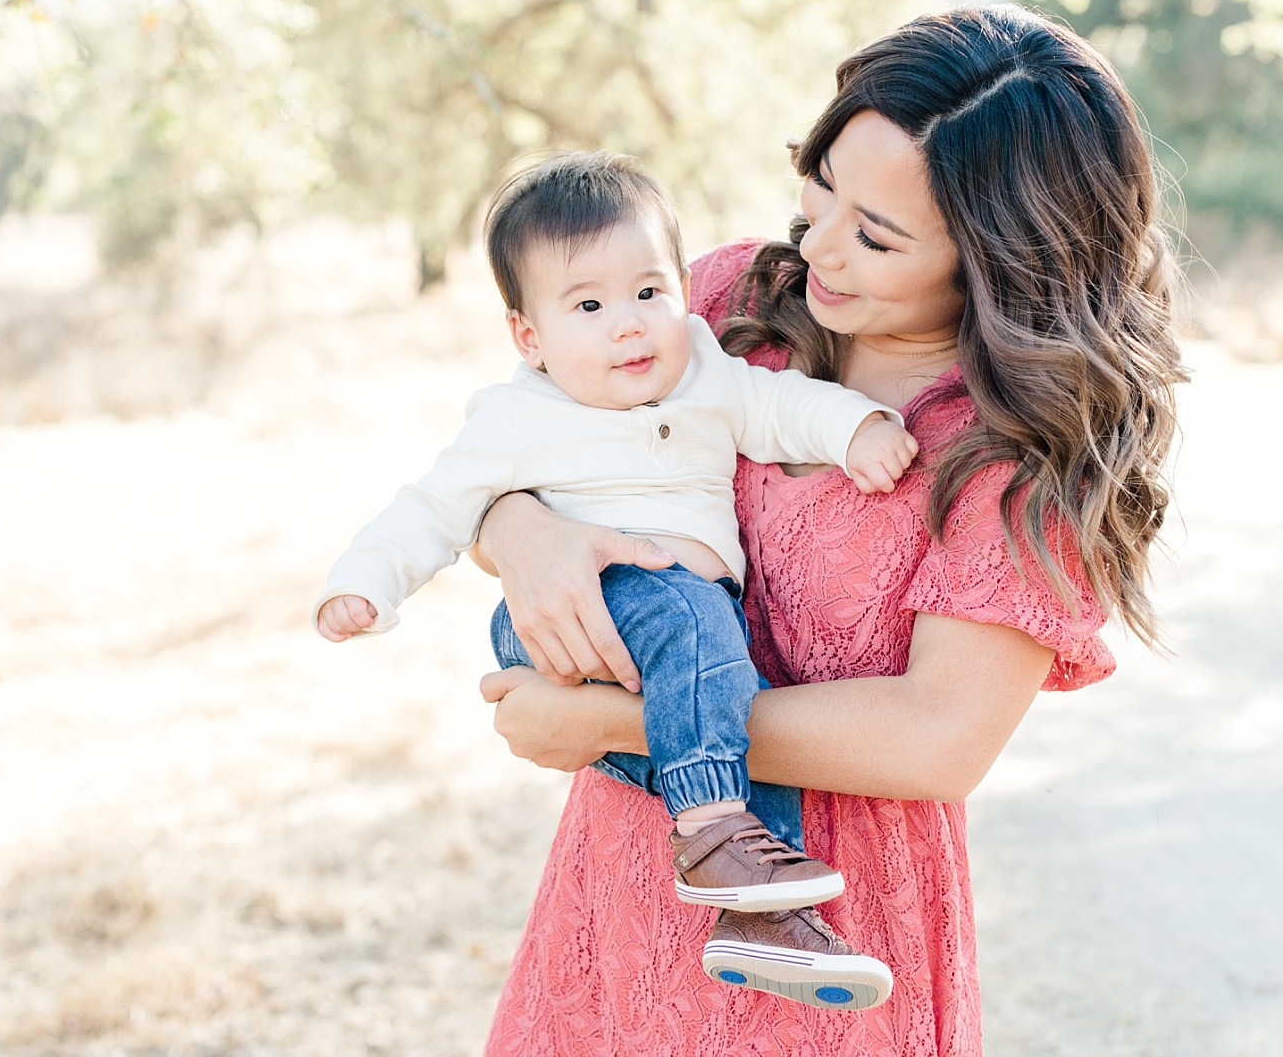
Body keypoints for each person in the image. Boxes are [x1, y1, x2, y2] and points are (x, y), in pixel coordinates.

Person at [472, 4, 1184, 1055]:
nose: (818, 248)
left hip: (836, 927)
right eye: (820, 192)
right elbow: (517, 441)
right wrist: (516, 527)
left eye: (876, 234)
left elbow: (938, 737)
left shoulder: (1014, 452)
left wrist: (617, 726)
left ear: (997, 256)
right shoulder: (721, 303)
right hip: (624, 873)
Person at [313, 151, 921, 1009]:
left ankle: (765, 923)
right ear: (530, 337)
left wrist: (857, 428)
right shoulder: (519, 412)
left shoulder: (706, 372)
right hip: (577, 620)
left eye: (647, 293)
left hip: (690, 627)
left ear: (680, 288)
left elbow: (784, 406)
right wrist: (367, 584)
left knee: (733, 701)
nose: (628, 325)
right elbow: (434, 506)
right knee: (697, 641)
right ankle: (713, 835)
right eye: (589, 307)